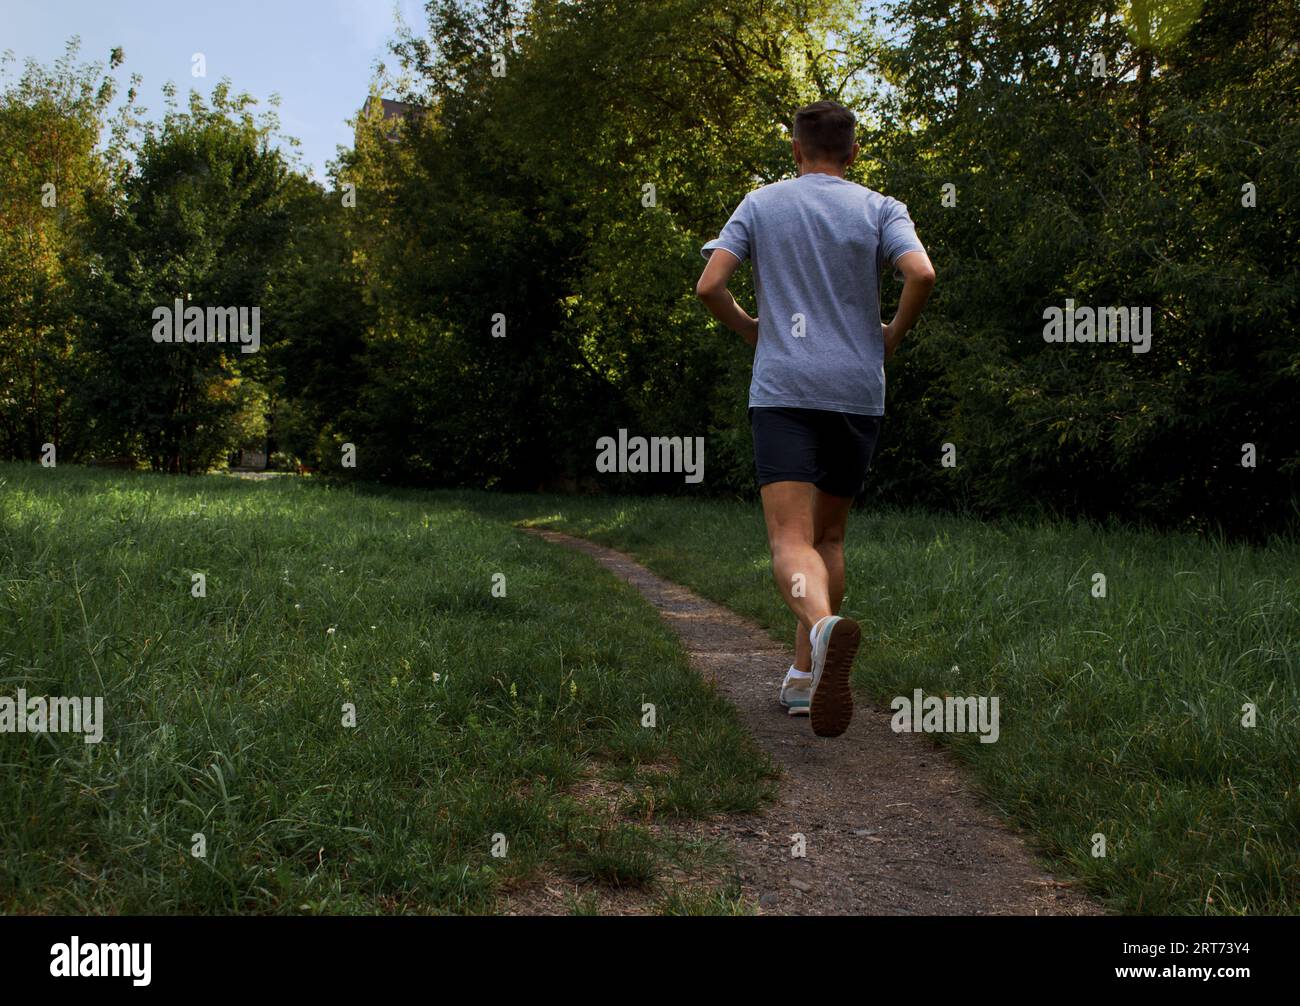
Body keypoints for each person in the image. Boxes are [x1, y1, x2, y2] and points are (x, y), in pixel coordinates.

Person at [695, 100, 935, 738]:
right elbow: (921, 273)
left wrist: (753, 331)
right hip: (856, 390)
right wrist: (889, 337)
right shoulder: (881, 208)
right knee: (828, 541)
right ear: (852, 153)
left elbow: (709, 285)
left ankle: (823, 629)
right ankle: (805, 679)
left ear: (796, 151)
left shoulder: (762, 203)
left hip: (786, 390)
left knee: (789, 541)